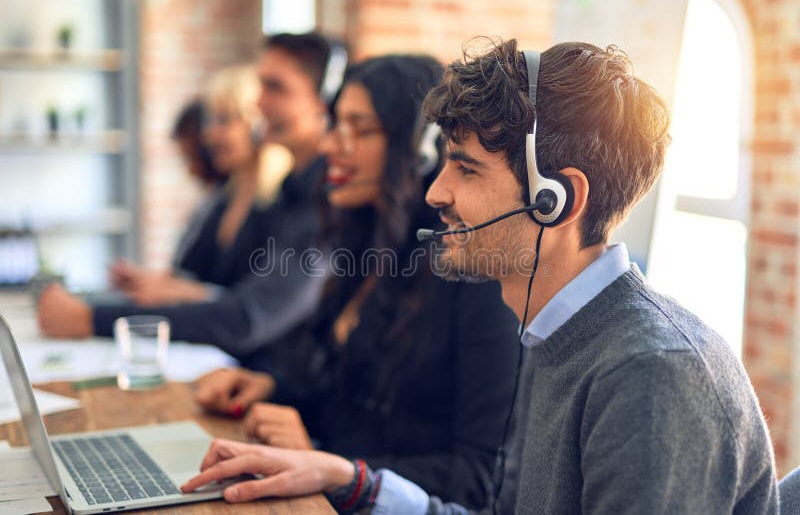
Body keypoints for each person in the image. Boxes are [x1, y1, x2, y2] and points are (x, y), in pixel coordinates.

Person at [181, 39, 779, 514]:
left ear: (556, 201)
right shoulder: (554, 335)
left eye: (465, 169)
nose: (436, 191)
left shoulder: (653, 377)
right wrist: (349, 478)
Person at [191, 54, 520, 510]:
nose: (330, 146)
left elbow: (478, 479)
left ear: (421, 148)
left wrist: (328, 461)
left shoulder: (474, 274)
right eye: (334, 125)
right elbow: (354, 402)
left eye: (358, 129)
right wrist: (273, 387)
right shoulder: (366, 247)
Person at [36, 33, 337, 367]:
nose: (259, 103)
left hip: (266, 386)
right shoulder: (288, 191)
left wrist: (93, 319)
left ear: (324, 101)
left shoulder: (322, 201)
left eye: (276, 87)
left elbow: (247, 317)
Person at [109, 66, 293, 306]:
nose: (209, 134)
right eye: (210, 120)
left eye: (224, 120)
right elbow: (197, 278)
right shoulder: (225, 197)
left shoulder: (284, 203)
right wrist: (152, 282)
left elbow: (258, 305)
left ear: (259, 125)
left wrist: (180, 291)